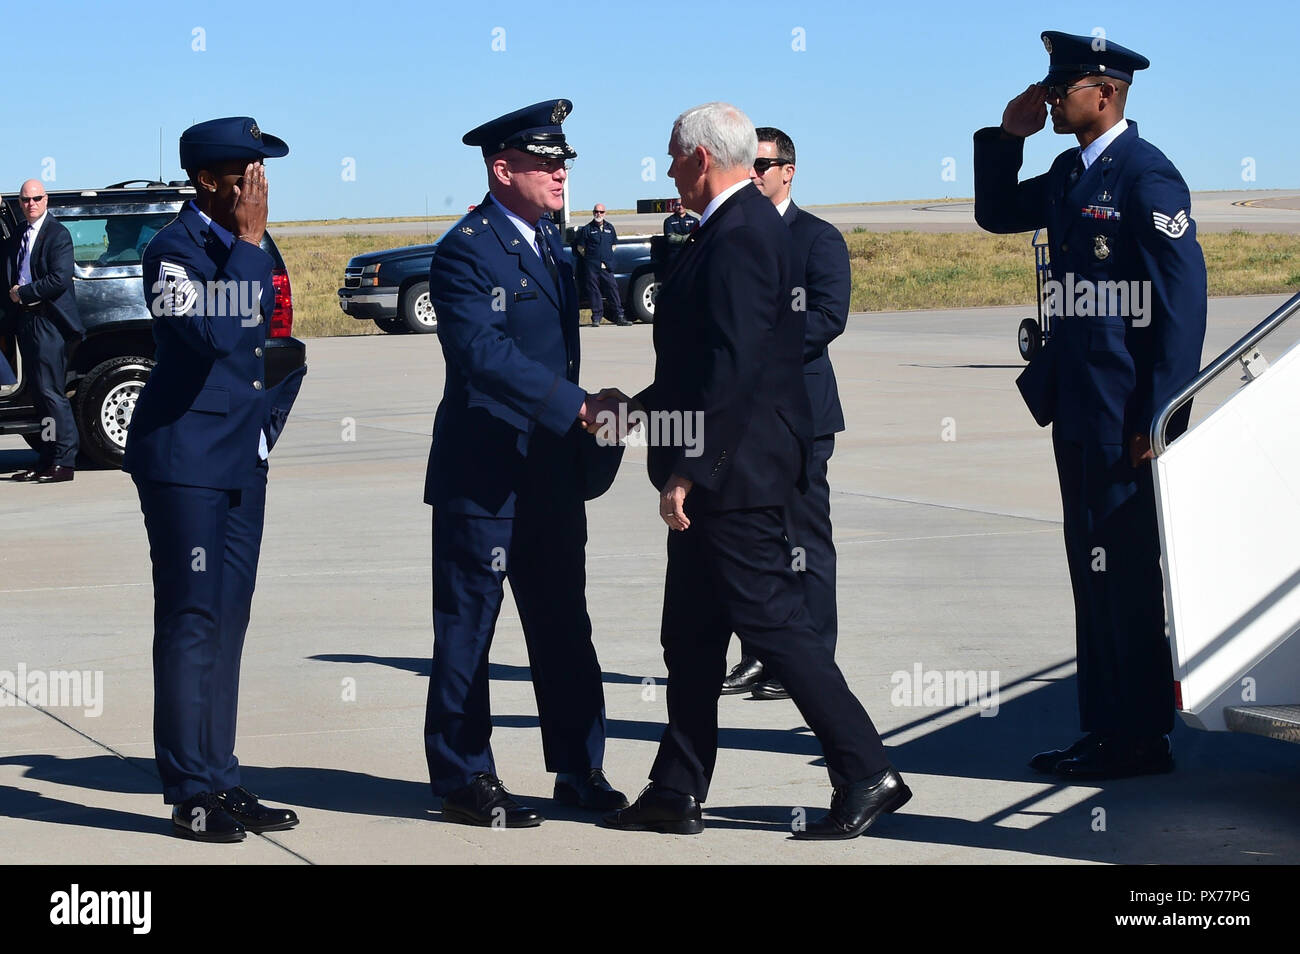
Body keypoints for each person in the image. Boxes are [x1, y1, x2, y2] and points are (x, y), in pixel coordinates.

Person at [601, 102, 909, 839]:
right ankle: (676, 788)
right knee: (692, 635)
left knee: (774, 623)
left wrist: (691, 472)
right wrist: (639, 411)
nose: (669, 170)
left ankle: (866, 770)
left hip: (731, 475)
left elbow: (734, 372)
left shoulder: (739, 235)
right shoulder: (734, 229)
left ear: (702, 158)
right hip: (723, 461)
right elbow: (710, 365)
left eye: (674, 157)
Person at [974, 32, 1207, 779]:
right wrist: (1005, 139)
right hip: (1076, 405)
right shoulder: (1069, 171)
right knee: (1092, 570)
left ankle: (1141, 736)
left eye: (1062, 86)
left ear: (1103, 92)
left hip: (1125, 414)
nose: (1050, 97)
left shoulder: (1147, 175)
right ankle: (1105, 728)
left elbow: (1183, 302)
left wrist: (1163, 414)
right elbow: (996, 212)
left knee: (1128, 573)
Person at [423, 99, 628, 828]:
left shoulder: (550, 242)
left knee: (564, 624)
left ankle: (579, 767)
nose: (559, 173)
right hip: (484, 475)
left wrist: (583, 411)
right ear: (501, 167)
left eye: (563, 162)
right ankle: (462, 777)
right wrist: (574, 404)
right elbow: (481, 356)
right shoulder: (466, 249)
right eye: (544, 163)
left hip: (548, 472)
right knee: (468, 629)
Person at [122, 117, 306, 841]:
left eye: (263, 176)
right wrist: (252, 245)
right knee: (192, 621)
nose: (258, 189)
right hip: (186, 464)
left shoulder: (247, 248)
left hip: (241, 461)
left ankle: (222, 778)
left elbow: (280, 345)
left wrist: (267, 430)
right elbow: (217, 334)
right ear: (207, 180)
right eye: (246, 175)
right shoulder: (173, 251)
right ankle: (190, 790)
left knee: (228, 623)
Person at [722, 126, 851, 702]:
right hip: (743, 418)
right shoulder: (735, 234)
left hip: (800, 414)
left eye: (764, 165)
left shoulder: (816, 238)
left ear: (788, 171)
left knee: (805, 540)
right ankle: (760, 654)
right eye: (747, 165)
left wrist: (760, 346)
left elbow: (828, 317)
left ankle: (811, 663)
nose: (754, 174)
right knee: (757, 543)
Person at [4, 180, 84, 483]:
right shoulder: (19, 235)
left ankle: (64, 462)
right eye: (25, 200)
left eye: (36, 198)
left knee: (52, 392)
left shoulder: (57, 235)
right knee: (39, 394)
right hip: (26, 321)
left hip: (49, 321)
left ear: (46, 199)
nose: (31, 204)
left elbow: (59, 279)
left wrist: (22, 293)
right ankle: (47, 458)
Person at [577, 204, 629, 326]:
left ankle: (620, 316)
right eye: (596, 211)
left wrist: (605, 258)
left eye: (601, 212)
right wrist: (592, 258)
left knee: (612, 289)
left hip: (607, 266)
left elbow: (613, 245)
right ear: (593, 212)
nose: (598, 214)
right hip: (592, 266)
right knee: (594, 292)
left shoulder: (610, 228)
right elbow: (581, 248)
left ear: (605, 213)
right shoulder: (587, 229)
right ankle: (596, 318)